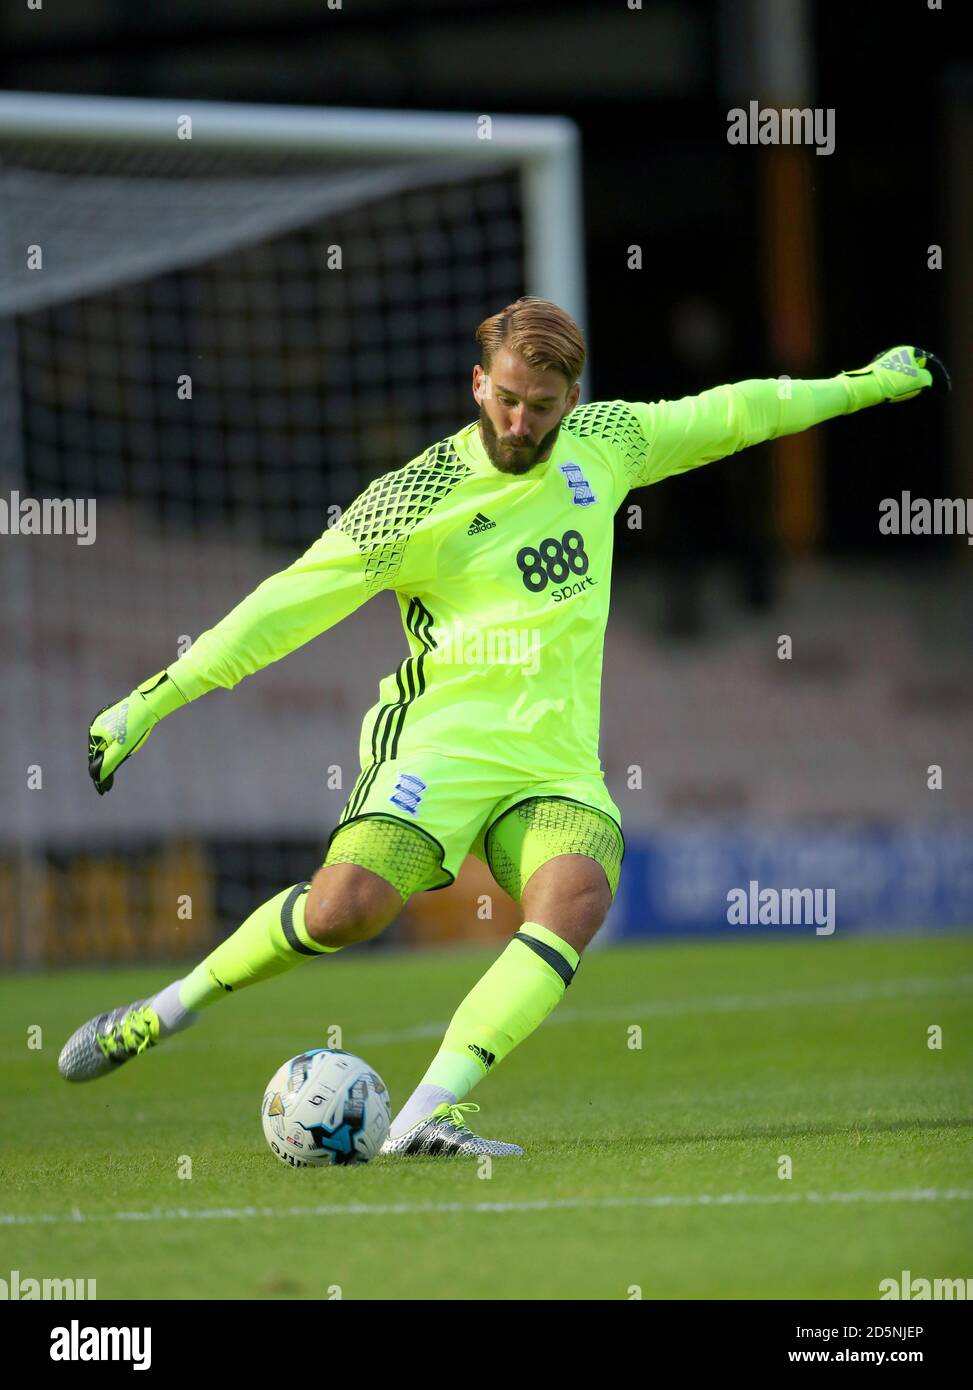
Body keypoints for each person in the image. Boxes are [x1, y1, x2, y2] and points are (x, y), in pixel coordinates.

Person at [59, 297, 945, 1157]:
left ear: (573, 401)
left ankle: (423, 1116)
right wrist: (152, 699)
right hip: (438, 745)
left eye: (543, 407)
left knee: (577, 896)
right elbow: (279, 609)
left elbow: (733, 412)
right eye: (508, 399)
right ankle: (163, 1010)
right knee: (342, 912)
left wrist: (862, 383)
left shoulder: (607, 445)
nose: (521, 422)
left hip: (552, 764)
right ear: (478, 383)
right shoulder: (413, 499)